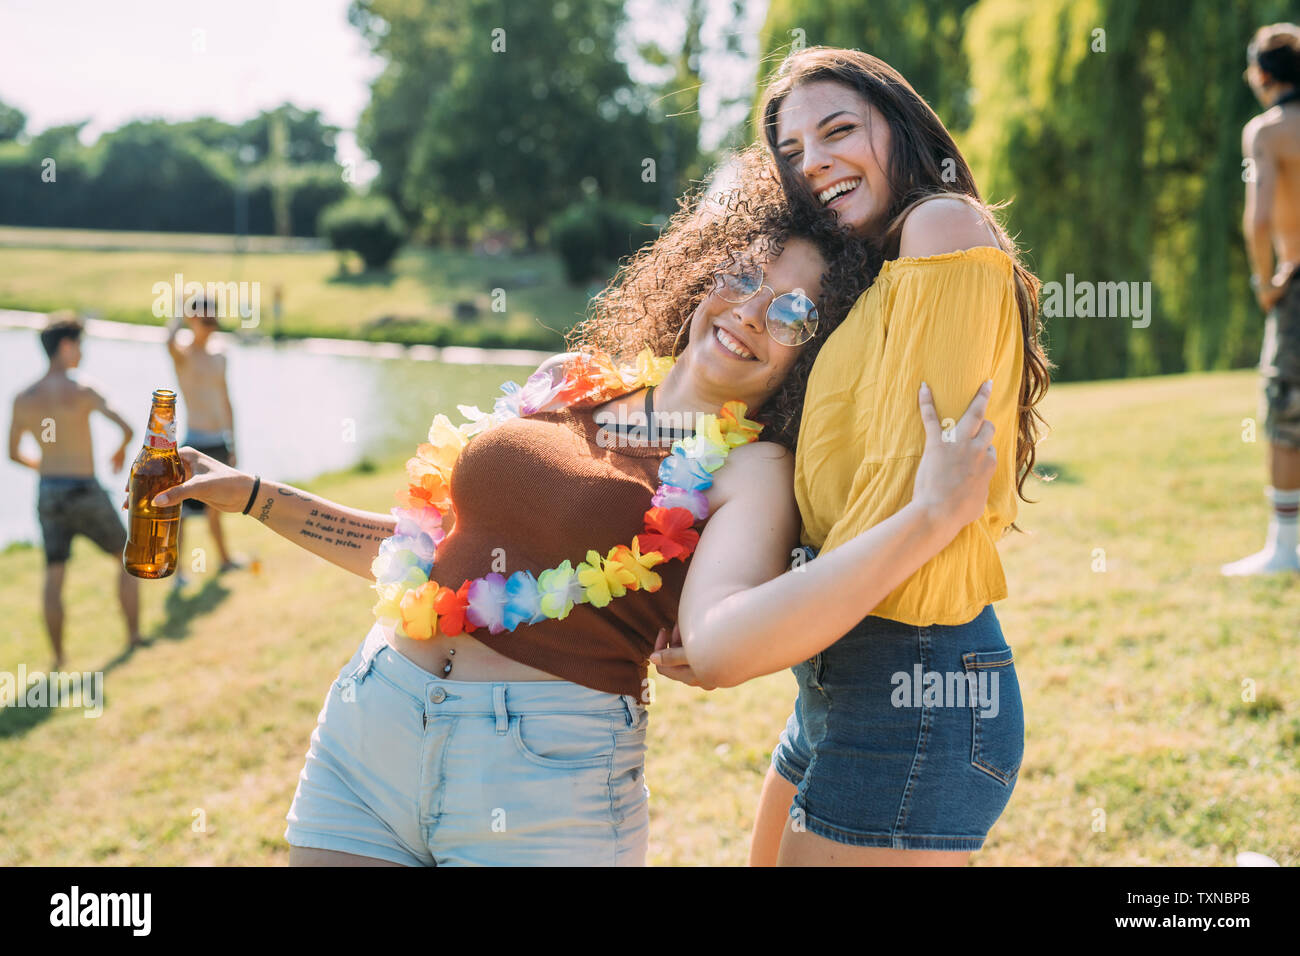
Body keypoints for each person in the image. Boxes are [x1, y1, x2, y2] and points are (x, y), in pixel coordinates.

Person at [149, 152, 998, 866]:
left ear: (814, 355)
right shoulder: (575, 385)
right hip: (371, 729)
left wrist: (927, 517)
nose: (749, 311)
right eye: (744, 276)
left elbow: (723, 642)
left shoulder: (750, 470)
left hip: (542, 779)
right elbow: (425, 554)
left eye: (793, 312)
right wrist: (250, 494)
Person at [652, 47, 1052, 865]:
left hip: (916, 690)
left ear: (903, 132)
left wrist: (756, 632)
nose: (814, 164)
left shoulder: (940, 227)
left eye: (839, 131)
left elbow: (910, 495)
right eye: (792, 153)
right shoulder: (863, 282)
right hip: (845, 683)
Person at [6, 313, 145, 669]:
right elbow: (127, 427)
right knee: (128, 559)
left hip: (49, 491)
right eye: (80, 344)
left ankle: (58, 657)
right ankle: (133, 637)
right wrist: (118, 451)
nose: (82, 352)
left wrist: (47, 466)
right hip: (84, 489)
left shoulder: (24, 397)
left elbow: (12, 453)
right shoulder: (83, 389)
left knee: (54, 573)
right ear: (66, 347)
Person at [1222, 23, 1300, 576]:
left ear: (1262, 74)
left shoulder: (1268, 132)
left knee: (1285, 406)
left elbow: (1260, 217)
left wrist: (1265, 282)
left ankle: (1284, 546)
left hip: (1296, 280)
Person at [166, 294, 243, 586]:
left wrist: (233, 443)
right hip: (194, 441)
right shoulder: (183, 354)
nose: (211, 326)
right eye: (205, 319)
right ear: (192, 320)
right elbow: (167, 340)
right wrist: (180, 311)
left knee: (215, 510)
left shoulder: (220, 355)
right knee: (183, 511)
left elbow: (226, 399)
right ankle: (178, 572)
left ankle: (225, 560)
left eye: (214, 320)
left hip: (219, 441)